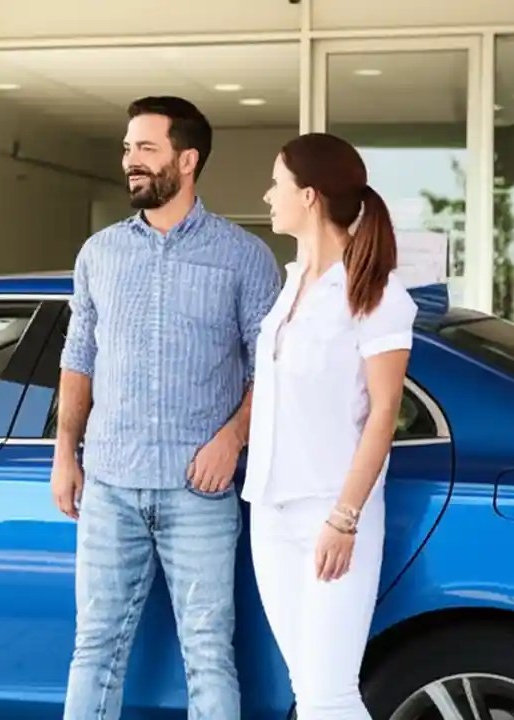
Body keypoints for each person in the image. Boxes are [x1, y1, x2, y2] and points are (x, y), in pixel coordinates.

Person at [52, 96, 281, 719]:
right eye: (128, 148)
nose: (131, 160)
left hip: (198, 491)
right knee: (93, 648)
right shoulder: (99, 253)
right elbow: (78, 358)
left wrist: (233, 438)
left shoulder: (243, 256)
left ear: (187, 159)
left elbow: (272, 369)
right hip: (109, 484)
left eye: (146, 149)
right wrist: (65, 454)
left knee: (208, 653)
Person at [242, 133, 415, 718]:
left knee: (329, 692)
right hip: (270, 509)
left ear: (309, 196)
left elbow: (384, 413)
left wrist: (344, 518)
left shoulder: (378, 294)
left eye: (276, 184)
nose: (267, 196)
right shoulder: (291, 283)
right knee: (307, 688)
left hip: (331, 513)